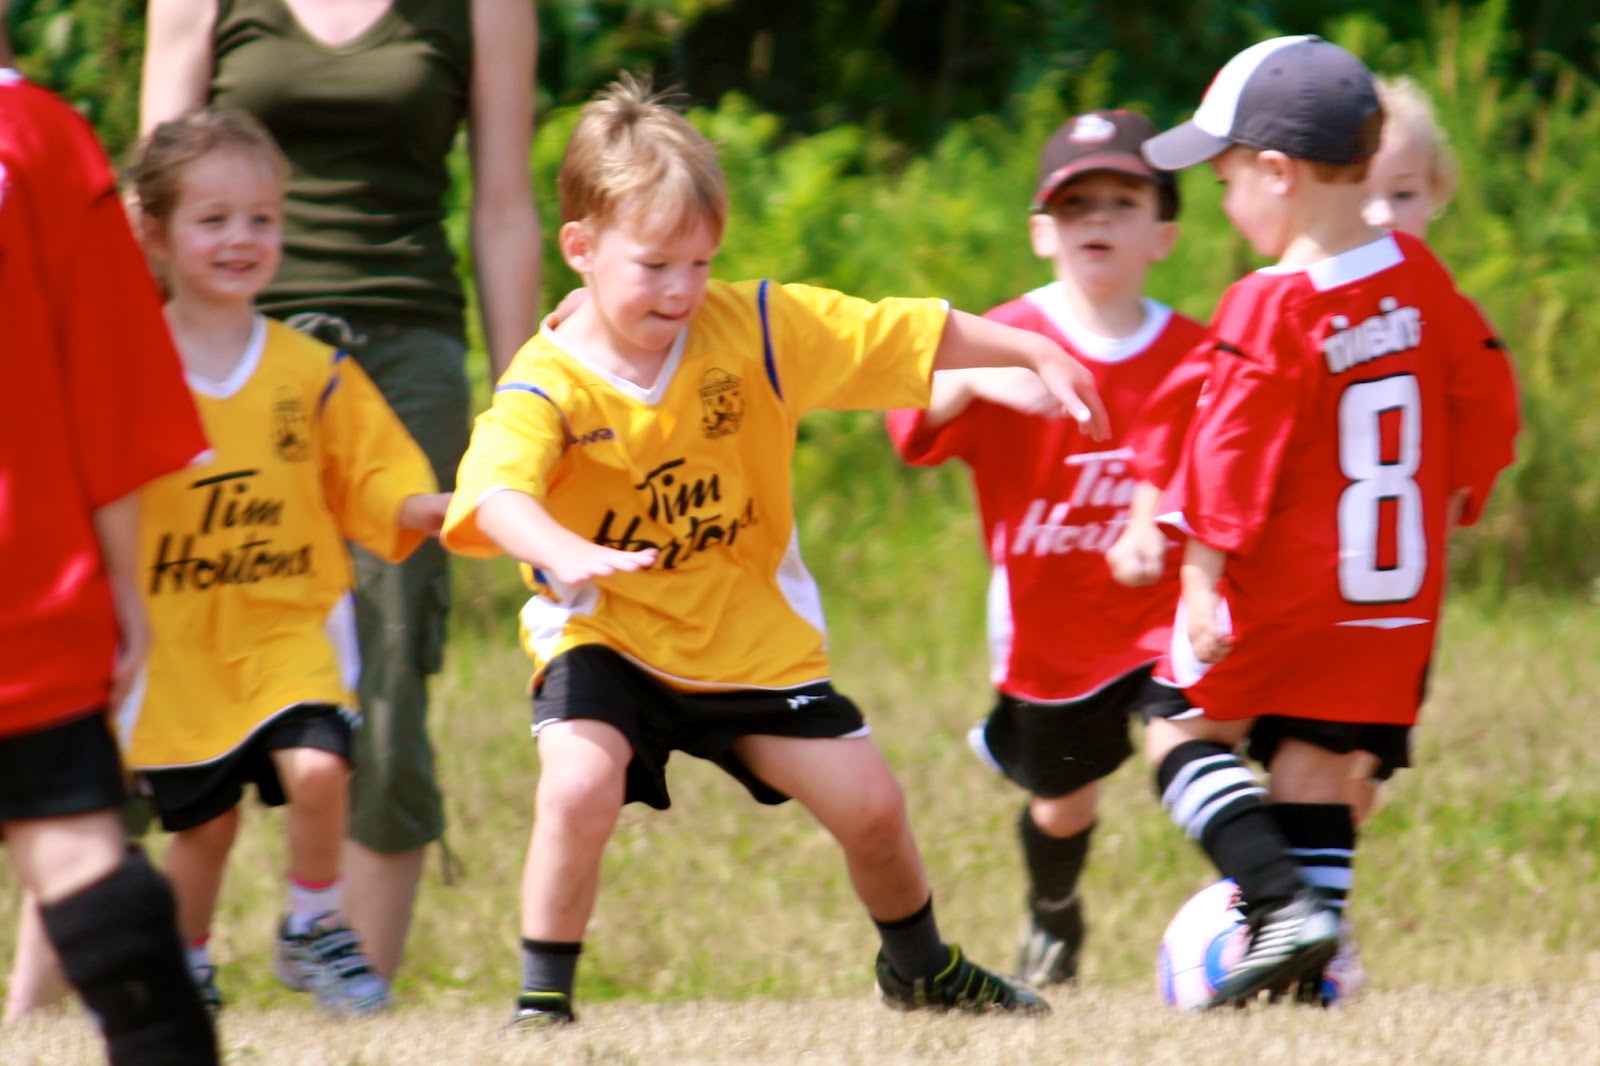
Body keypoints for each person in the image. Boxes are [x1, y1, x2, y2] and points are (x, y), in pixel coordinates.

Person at [441, 74, 1116, 1029]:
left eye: (700, 262)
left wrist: (1030, 351)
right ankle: (543, 1004)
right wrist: (561, 547)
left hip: (748, 638)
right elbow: (494, 492)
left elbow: (900, 332)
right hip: (610, 636)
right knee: (580, 783)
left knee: (873, 808)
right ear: (581, 250)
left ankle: (922, 970)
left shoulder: (754, 328)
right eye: (655, 265)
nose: (682, 289)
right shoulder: (548, 384)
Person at [138, 0, 540, 987]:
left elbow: (501, 207)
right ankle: (107, 975)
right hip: (221, 348)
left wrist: (530, 406)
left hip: (404, 357)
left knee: (389, 678)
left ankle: (350, 986)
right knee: (159, 654)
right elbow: (142, 196)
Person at [1131, 35, 1518, 1008]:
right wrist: (1462, 492)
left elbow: (1229, 453)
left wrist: (1198, 578)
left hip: (1291, 588)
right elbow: (1488, 386)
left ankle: (1277, 905)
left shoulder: (1270, 303)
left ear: (1277, 173)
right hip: (1391, 604)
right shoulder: (1419, 282)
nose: (1222, 202)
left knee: (1173, 731)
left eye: (1223, 178)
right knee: (1311, 762)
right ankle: (1314, 981)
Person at [116, 106, 449, 1018]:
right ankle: (183, 962)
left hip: (289, 630)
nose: (241, 239)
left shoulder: (312, 371)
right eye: (213, 219)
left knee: (319, 770)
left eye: (262, 218)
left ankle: (313, 925)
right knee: (205, 829)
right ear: (155, 231)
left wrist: (432, 509)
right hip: (180, 654)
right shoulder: (124, 369)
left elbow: (374, 475)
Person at [885, 109, 1206, 988]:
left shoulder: (1194, 351)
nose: (1097, 219)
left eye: (1122, 200)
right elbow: (904, 419)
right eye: (1075, 206)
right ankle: (1054, 913)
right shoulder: (1005, 333)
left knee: (1190, 740)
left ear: (1163, 232)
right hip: (1050, 631)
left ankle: (1264, 902)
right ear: (1041, 232)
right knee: (1063, 804)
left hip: (1164, 610)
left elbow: (1215, 461)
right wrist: (978, 375)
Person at [0, 32, 219, 1064]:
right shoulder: (39, 141)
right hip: (23, 581)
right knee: (77, 845)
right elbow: (114, 400)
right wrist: (124, 587)